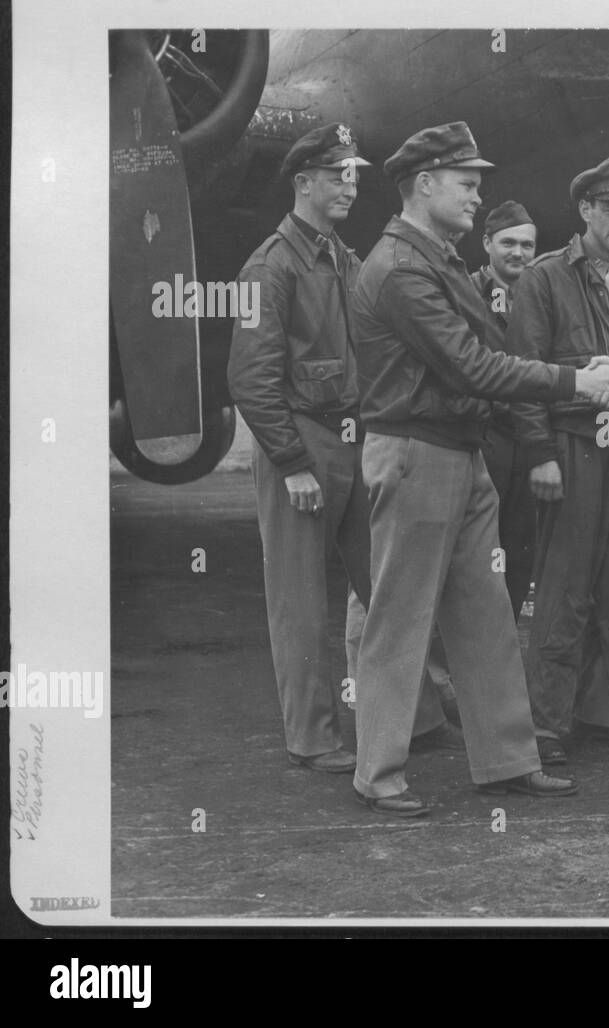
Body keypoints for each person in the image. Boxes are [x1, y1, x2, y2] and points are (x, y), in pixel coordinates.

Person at [348, 122, 609, 817]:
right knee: (399, 617)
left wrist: (571, 370)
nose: (479, 196)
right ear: (424, 185)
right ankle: (379, 772)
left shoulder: (434, 258)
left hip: (456, 449)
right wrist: (576, 384)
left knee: (486, 613)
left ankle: (507, 759)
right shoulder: (403, 268)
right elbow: (473, 364)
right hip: (417, 453)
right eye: (467, 184)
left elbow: (496, 352)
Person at [506, 153, 609, 766]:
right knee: (566, 586)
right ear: (585, 211)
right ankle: (546, 724)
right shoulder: (545, 278)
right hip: (572, 445)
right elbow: (523, 373)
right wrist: (540, 454)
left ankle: (606, 712)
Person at [227, 123, 374, 775]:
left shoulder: (345, 258)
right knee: (302, 601)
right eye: (337, 174)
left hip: (354, 437)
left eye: (354, 174)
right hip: (303, 442)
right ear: (304, 183)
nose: (350, 185)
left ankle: (414, 717)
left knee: (388, 584)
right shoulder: (270, 265)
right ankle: (313, 738)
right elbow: (250, 379)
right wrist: (290, 462)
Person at [471, 200, 540, 618]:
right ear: (486, 244)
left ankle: (504, 648)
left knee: (519, 549)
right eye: (508, 243)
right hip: (485, 437)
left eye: (527, 245)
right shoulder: (464, 292)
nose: (518, 253)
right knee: (476, 548)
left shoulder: (540, 295)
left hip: (527, 439)